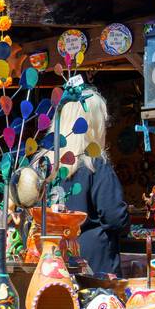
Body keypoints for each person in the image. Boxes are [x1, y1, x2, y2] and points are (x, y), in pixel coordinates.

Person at [58, 93, 128, 277]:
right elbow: (115, 217)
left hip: (53, 264)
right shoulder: (95, 165)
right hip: (94, 269)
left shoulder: (45, 164)